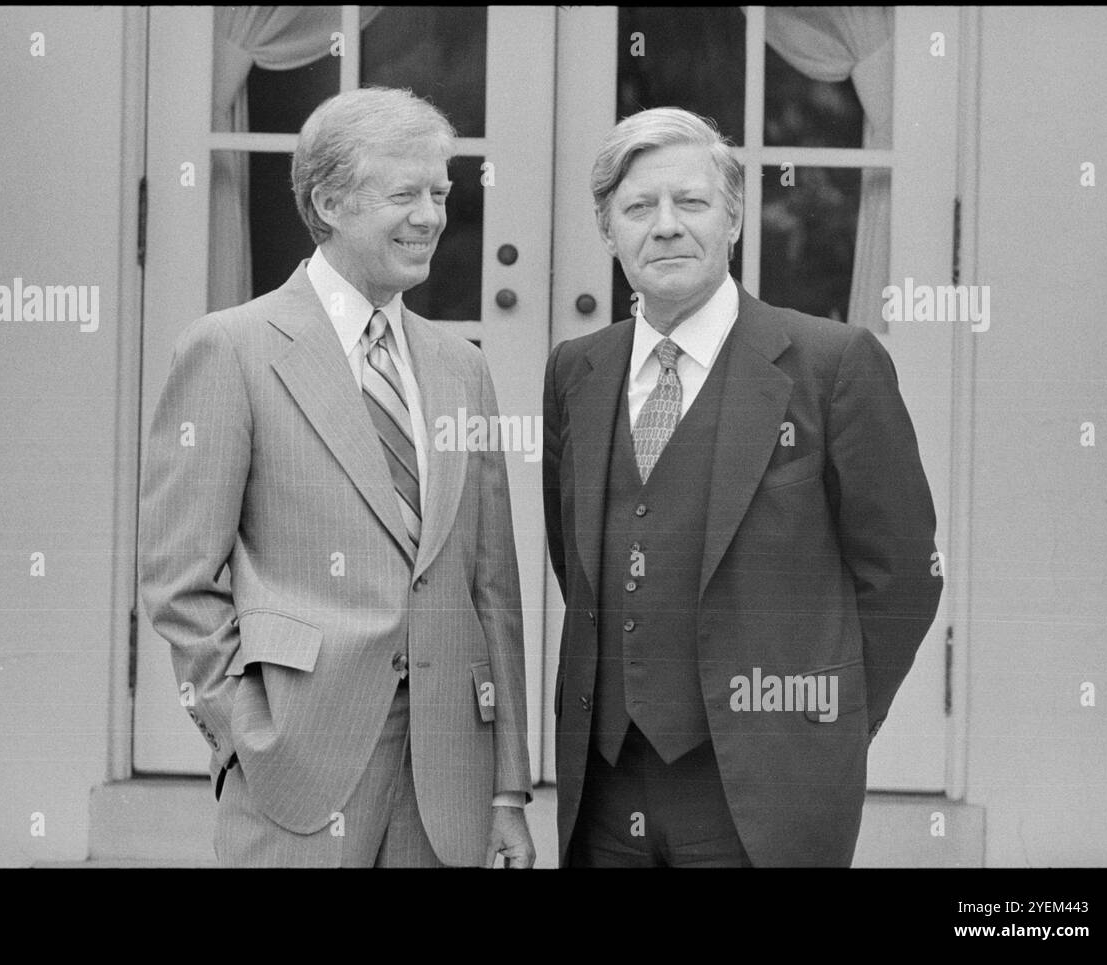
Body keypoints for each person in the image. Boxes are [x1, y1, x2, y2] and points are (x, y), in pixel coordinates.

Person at [139, 86, 534, 868]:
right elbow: (178, 581)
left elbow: (493, 588)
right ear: (329, 201)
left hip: (448, 786)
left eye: (440, 193)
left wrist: (507, 791)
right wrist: (245, 735)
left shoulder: (463, 368)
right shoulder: (232, 349)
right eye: (405, 194)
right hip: (294, 774)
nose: (431, 216)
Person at [542, 107, 943, 867]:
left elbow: (901, 577)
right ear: (607, 228)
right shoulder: (575, 370)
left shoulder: (833, 363)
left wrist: (829, 719)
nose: (665, 227)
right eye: (638, 208)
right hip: (606, 786)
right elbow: (579, 564)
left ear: (732, 220)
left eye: (690, 203)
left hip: (766, 790)